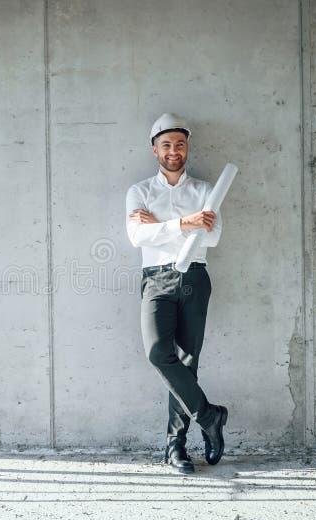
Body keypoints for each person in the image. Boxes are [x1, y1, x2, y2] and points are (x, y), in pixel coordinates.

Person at [125, 113, 228, 474]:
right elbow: (137, 237)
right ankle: (210, 416)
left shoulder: (203, 191)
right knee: (158, 354)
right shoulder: (139, 192)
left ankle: (176, 446)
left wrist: (161, 226)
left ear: (187, 149)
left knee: (187, 364)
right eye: (166, 145)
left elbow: (212, 238)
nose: (174, 151)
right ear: (155, 150)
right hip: (156, 280)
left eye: (180, 144)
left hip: (194, 280)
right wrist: (186, 224)